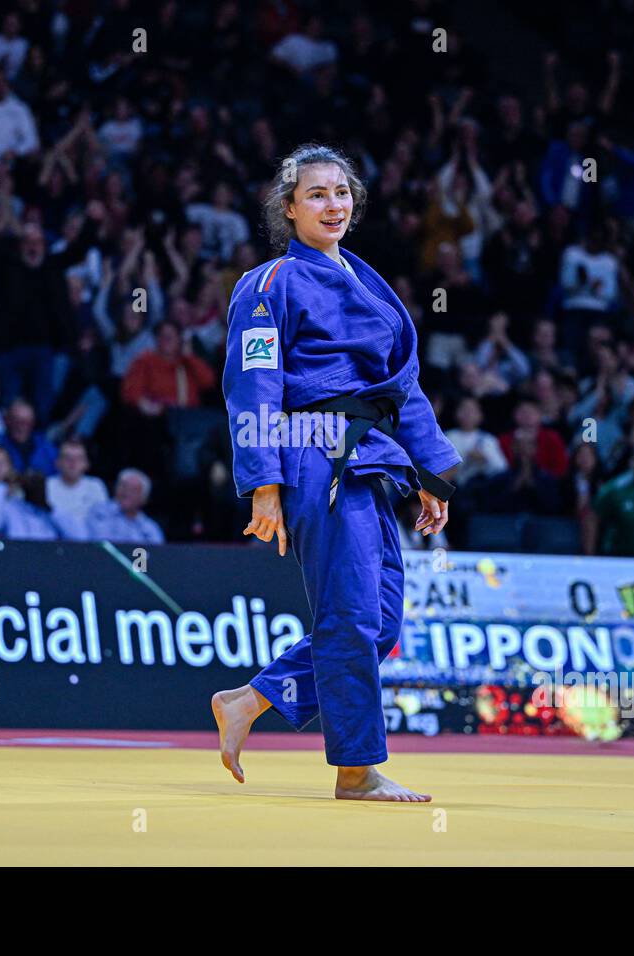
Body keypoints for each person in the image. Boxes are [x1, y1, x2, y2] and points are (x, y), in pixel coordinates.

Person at [211, 145, 460, 803]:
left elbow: (402, 384)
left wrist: (432, 472)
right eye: (316, 194)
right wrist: (264, 482)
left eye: (341, 192)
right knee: (350, 615)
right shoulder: (269, 284)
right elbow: (253, 384)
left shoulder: (370, 283)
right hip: (311, 448)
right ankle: (357, 769)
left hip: (371, 455)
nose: (333, 205)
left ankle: (252, 699)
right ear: (288, 209)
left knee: (379, 620)